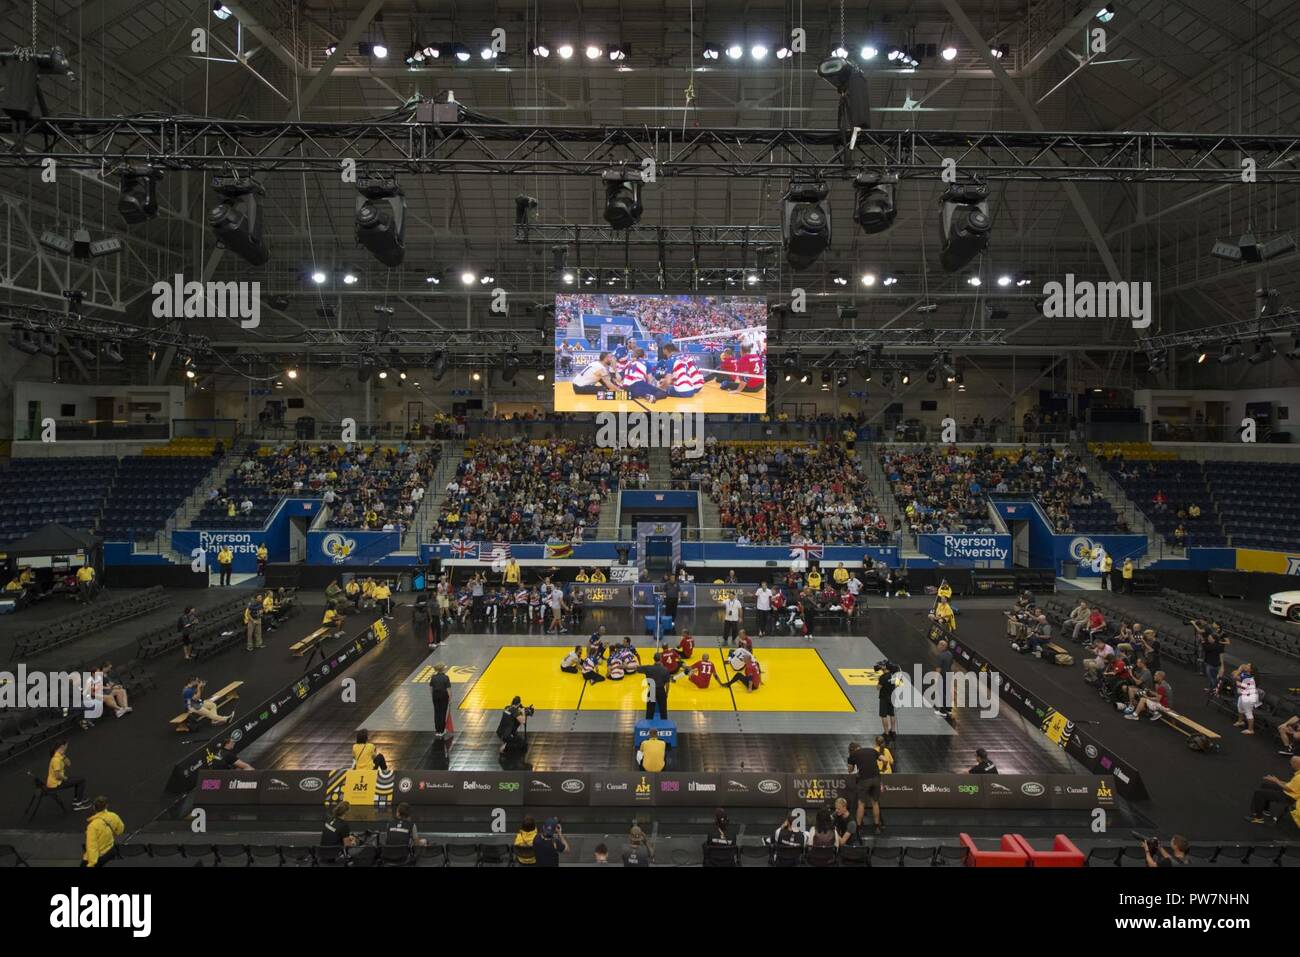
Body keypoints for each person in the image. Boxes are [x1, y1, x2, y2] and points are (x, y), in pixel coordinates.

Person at [1246, 755, 1300, 824]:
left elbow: (1289, 789)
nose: (1290, 764)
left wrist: (1276, 781)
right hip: (1289, 792)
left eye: (1291, 762)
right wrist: (1277, 780)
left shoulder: (1299, 777)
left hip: (1288, 797)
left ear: (1296, 764)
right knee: (1265, 785)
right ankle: (1265, 810)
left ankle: (1258, 818)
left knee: (1259, 793)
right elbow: (1290, 784)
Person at [847, 740, 883, 833]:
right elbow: (884, 759)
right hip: (876, 779)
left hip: (864, 781)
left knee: (861, 804)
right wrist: (884, 767)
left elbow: (850, 770)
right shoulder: (872, 750)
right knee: (875, 803)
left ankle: (859, 828)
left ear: (852, 750)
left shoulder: (853, 755)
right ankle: (877, 827)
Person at [46, 742, 92, 811]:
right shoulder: (56, 760)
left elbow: (69, 764)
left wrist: (64, 756)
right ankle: (78, 804)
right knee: (81, 780)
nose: (64, 749)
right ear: (57, 749)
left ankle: (76, 800)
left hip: (59, 780)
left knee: (79, 779)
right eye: (62, 748)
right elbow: (57, 776)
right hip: (55, 784)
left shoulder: (59, 756)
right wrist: (65, 778)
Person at [82, 796, 124, 867]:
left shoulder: (93, 826)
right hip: (110, 850)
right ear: (106, 806)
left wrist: (92, 863)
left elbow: (92, 846)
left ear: (94, 807)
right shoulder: (113, 816)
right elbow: (120, 830)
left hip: (99, 856)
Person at [642, 653, 670, 720]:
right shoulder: (665, 669)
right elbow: (667, 684)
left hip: (651, 690)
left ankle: (648, 722)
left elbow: (637, 668)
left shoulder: (648, 668)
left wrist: (622, 667)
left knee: (650, 709)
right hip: (661, 690)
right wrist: (666, 693)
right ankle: (664, 722)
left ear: (653, 659)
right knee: (663, 709)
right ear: (661, 659)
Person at [1233, 664, 1259, 734]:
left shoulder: (1248, 677)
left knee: (1248, 712)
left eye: (1248, 666)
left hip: (1249, 697)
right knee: (1240, 707)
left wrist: (1240, 669)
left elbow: (1235, 676)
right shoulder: (1245, 674)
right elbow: (1234, 674)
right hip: (1244, 694)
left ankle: (1250, 730)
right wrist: (1239, 671)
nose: (1246, 665)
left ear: (1250, 670)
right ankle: (1240, 722)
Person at [429, 663, 452, 739]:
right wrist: (450, 698)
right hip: (443, 696)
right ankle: (442, 731)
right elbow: (448, 689)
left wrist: (433, 695)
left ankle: (437, 730)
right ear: (442, 669)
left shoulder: (433, 677)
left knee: (437, 712)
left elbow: (431, 688)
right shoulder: (446, 678)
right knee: (443, 712)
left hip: (435, 696)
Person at [877, 661, 899, 739]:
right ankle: (893, 731)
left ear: (885, 667)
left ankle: (886, 733)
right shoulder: (894, 676)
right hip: (892, 697)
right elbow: (896, 685)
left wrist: (879, 682)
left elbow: (878, 688)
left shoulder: (883, 677)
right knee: (892, 714)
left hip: (884, 698)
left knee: (883, 715)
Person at [934, 639, 955, 717]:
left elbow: (938, 668)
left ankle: (942, 711)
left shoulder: (940, 656)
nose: (937, 646)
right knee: (948, 692)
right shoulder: (950, 654)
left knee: (941, 693)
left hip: (942, 676)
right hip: (949, 675)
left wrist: (936, 679)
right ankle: (949, 709)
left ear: (943, 646)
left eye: (939, 644)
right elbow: (951, 665)